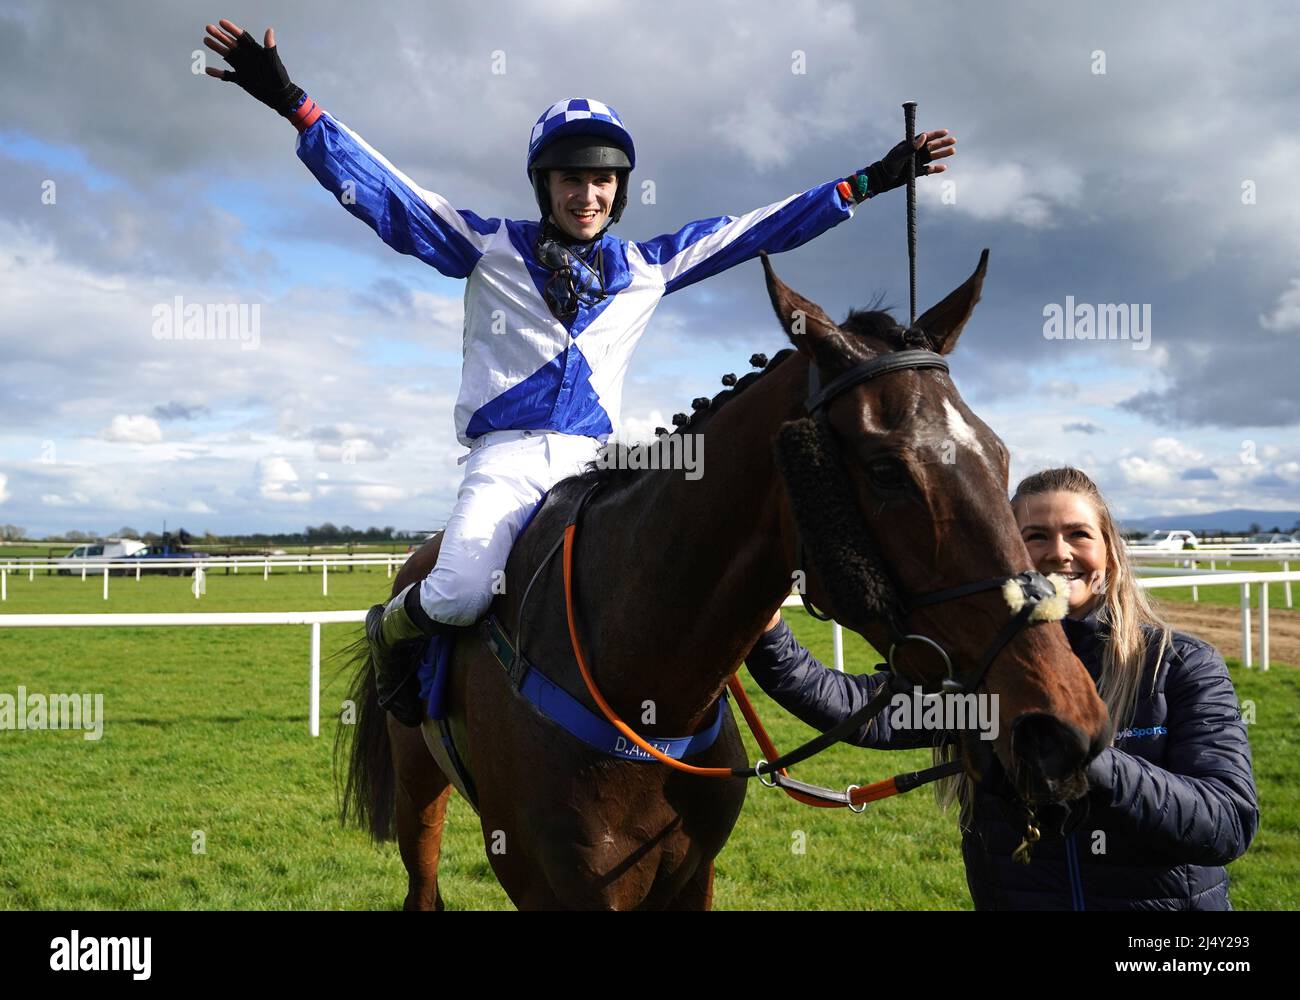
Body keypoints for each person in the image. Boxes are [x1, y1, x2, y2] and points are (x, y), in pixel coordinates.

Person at [202, 19, 955, 725]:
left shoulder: (647, 266)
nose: (586, 194)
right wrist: (296, 108)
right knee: (462, 592)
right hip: (507, 460)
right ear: (544, 185)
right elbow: (389, 196)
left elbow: (758, 227)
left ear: (619, 189)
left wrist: (867, 182)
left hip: (604, 464)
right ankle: (393, 629)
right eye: (569, 178)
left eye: (601, 181)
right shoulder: (485, 245)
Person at [746, 467, 1259, 909]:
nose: (1058, 553)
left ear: (1110, 553)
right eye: (1034, 536)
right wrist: (764, 632)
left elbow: (1226, 823)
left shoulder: (1180, 664)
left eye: (1078, 533)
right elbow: (861, 711)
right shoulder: (980, 672)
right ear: (1006, 554)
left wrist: (1086, 759)